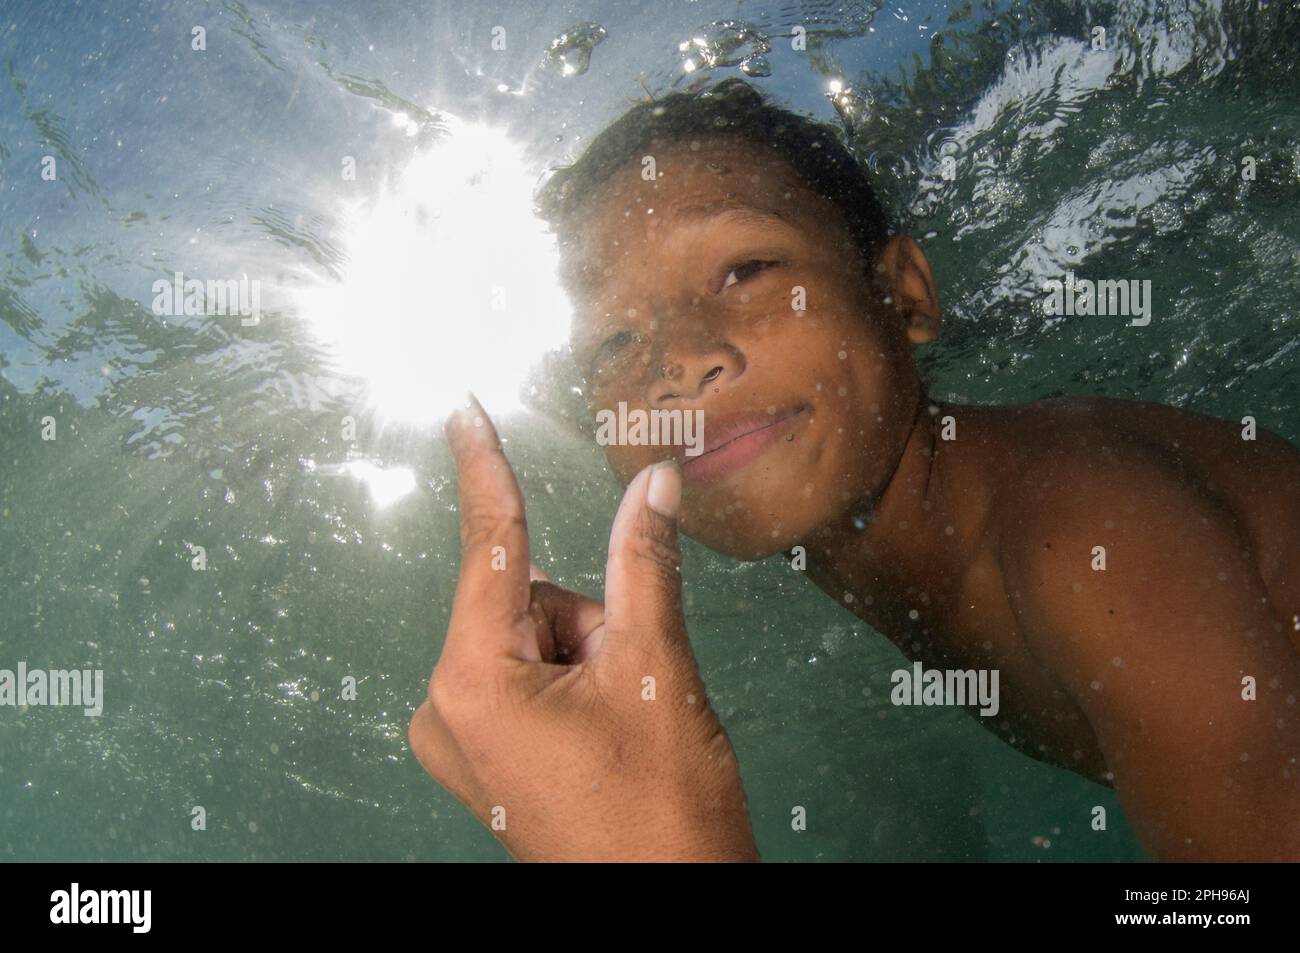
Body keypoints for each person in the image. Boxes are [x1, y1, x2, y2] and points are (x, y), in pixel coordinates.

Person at [410, 80, 1300, 861]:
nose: (676, 361)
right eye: (614, 340)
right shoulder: (928, 542)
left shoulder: (1093, 540)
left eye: (745, 269)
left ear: (904, 293)